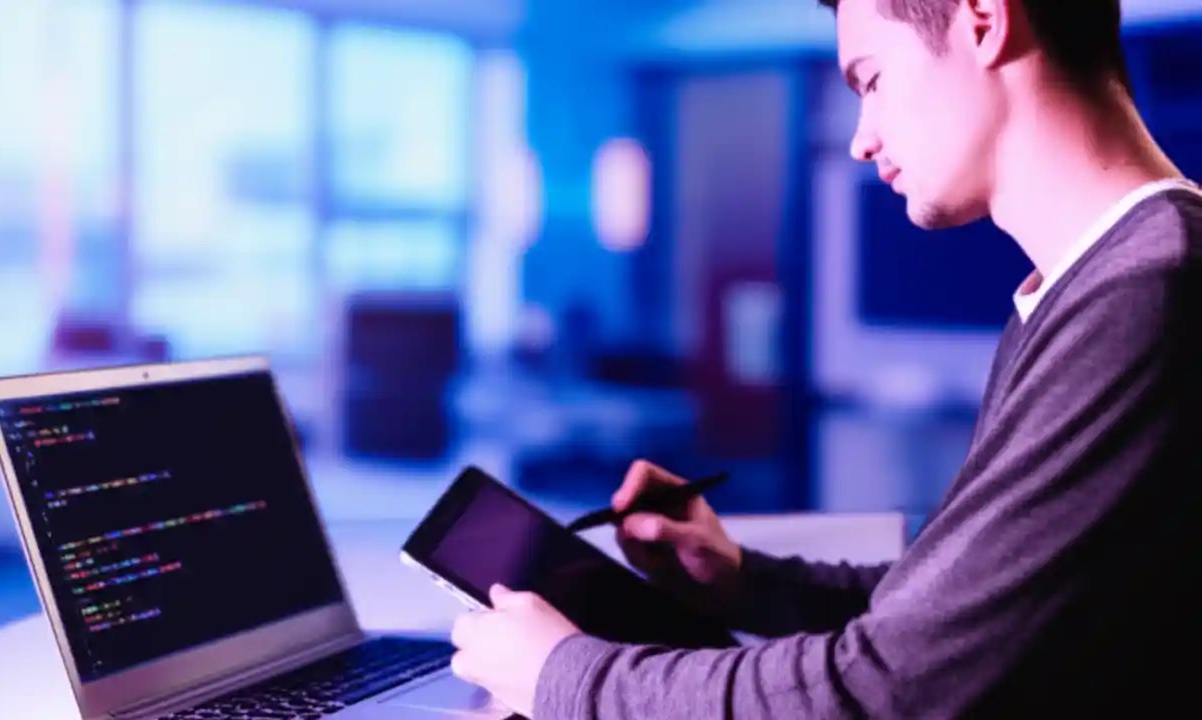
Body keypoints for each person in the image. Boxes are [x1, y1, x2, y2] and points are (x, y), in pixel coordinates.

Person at [448, 0, 1202, 716]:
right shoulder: (1102, 285)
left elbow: (893, 691)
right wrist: (745, 584)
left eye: (871, 81)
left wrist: (562, 677)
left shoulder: (1145, 297)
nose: (860, 138)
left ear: (982, 19)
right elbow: (971, 614)